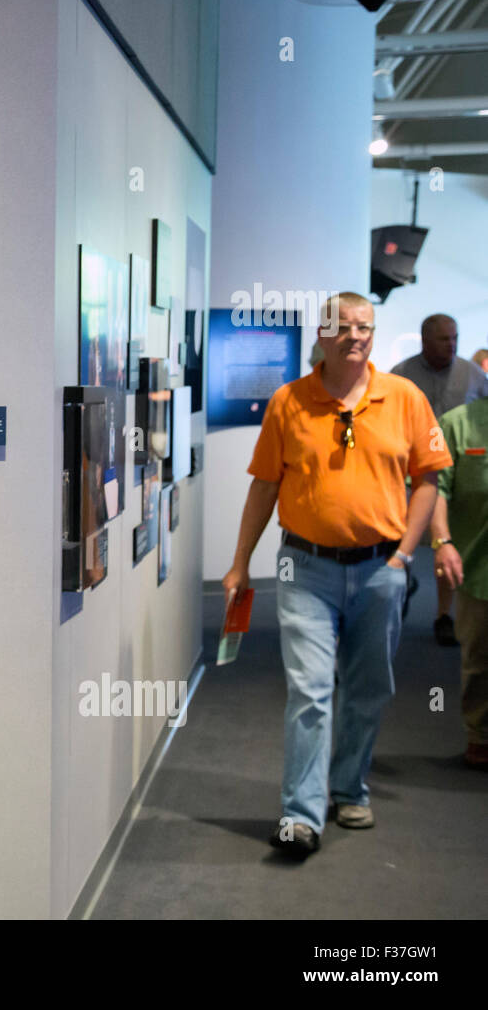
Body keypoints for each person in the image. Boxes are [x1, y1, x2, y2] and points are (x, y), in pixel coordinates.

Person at [222, 292, 452, 859]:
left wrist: (404, 555)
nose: (356, 336)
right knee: (310, 691)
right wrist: (239, 561)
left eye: (365, 327)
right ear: (322, 335)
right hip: (304, 569)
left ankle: (350, 787)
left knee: (370, 688)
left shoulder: (403, 398)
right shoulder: (289, 402)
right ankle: (300, 815)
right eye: (344, 327)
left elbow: (429, 478)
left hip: (380, 570)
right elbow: (264, 484)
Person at [391, 315, 488, 646]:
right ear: (424, 341)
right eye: (443, 339)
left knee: (447, 542)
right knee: (402, 539)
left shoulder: (473, 374)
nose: (452, 344)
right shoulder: (400, 377)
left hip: (453, 475)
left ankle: (443, 614)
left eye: (455, 338)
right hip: (408, 475)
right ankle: (400, 587)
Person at [429, 394, 488, 771]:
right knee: (479, 655)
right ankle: (480, 734)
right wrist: (442, 540)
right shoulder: (456, 423)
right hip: (478, 566)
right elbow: (435, 486)